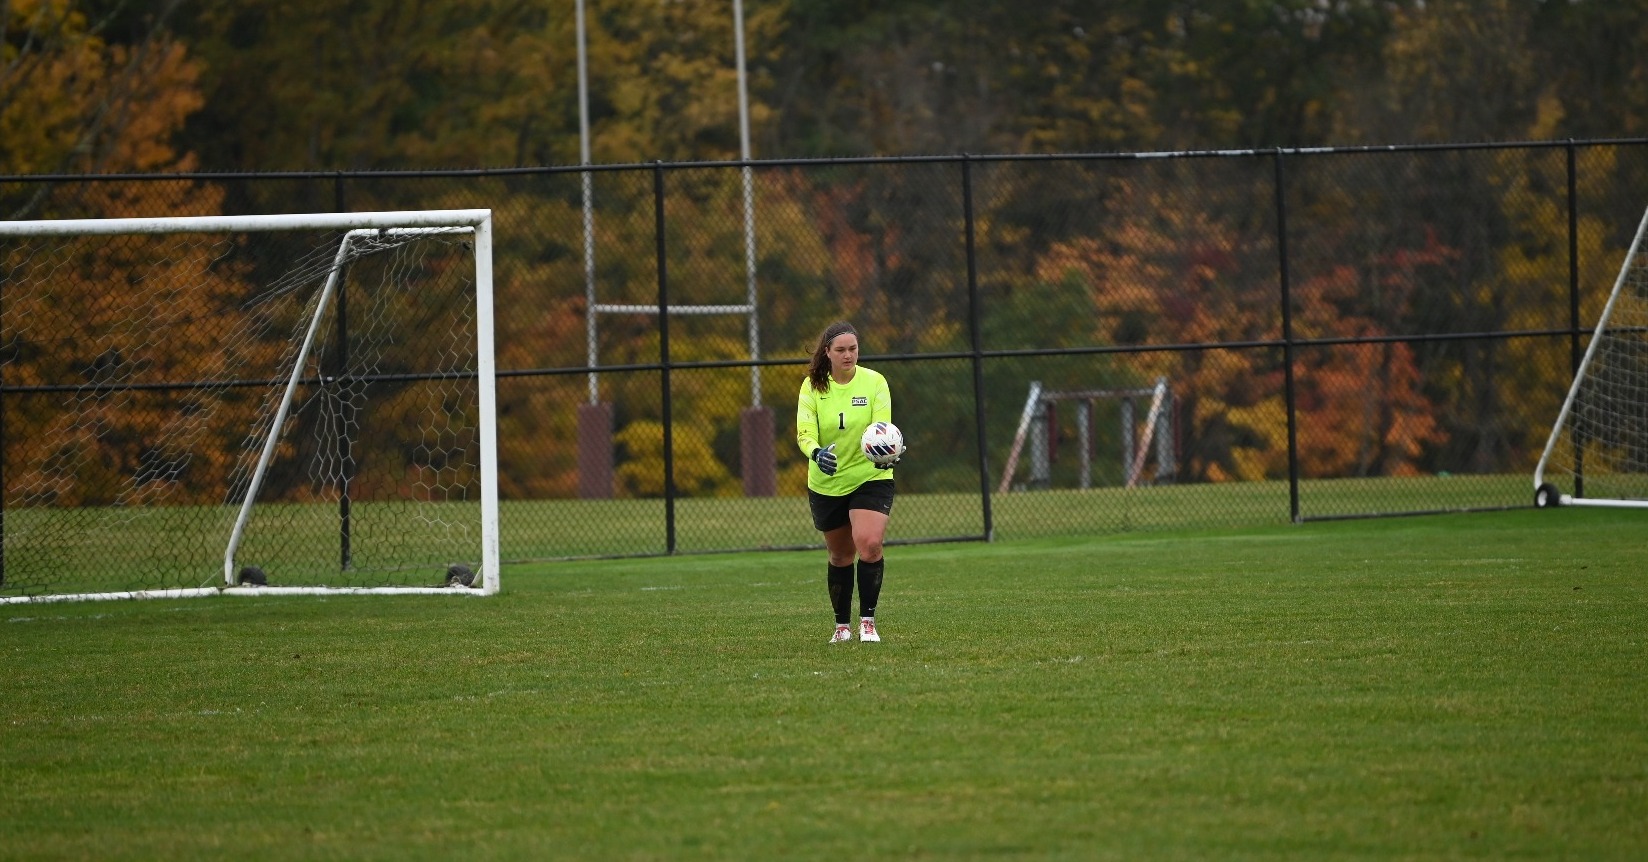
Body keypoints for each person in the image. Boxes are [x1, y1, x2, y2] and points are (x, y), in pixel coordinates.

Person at [796, 321, 899, 643]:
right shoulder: (813, 387)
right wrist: (816, 454)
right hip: (827, 481)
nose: (847, 355)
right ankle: (842, 626)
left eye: (852, 349)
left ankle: (867, 622)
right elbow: (804, 432)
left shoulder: (875, 382)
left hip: (871, 476)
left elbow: (882, 426)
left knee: (869, 544)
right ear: (826, 352)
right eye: (840, 350)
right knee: (841, 556)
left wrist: (887, 448)